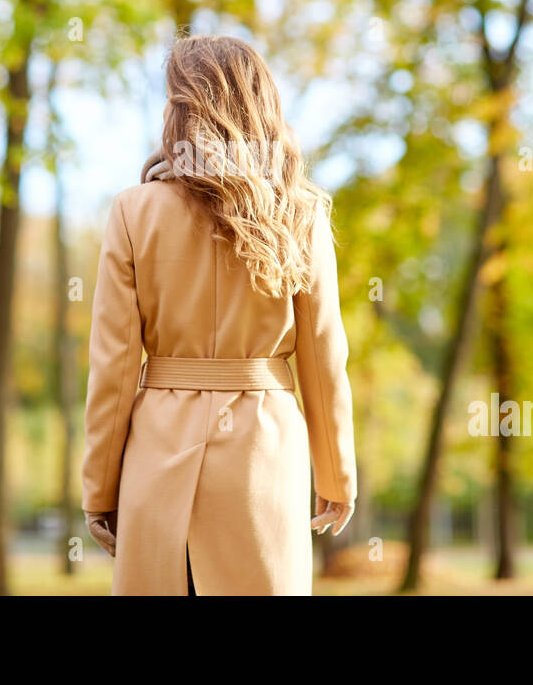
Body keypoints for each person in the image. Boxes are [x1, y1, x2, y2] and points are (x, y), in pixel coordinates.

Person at [81, 34, 357, 595]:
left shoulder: (134, 211)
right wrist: (336, 475)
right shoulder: (298, 214)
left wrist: (100, 489)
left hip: (157, 459)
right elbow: (324, 362)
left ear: (179, 109)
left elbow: (112, 369)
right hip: (263, 456)